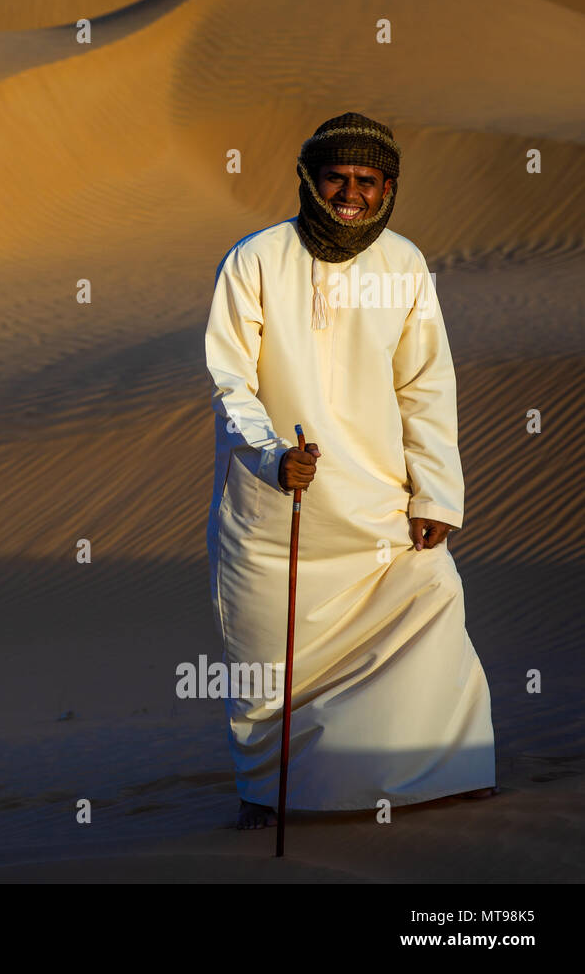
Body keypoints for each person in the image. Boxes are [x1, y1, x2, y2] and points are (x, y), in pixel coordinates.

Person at [203, 112, 497, 831]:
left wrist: (436, 492)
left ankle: (440, 783)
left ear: (389, 187)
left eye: (368, 181)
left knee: (432, 614)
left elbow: (425, 385)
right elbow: (229, 381)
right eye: (337, 176)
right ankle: (279, 801)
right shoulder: (257, 259)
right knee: (272, 677)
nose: (351, 193)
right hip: (280, 519)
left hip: (381, 511)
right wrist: (275, 457)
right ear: (309, 176)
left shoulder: (403, 266)